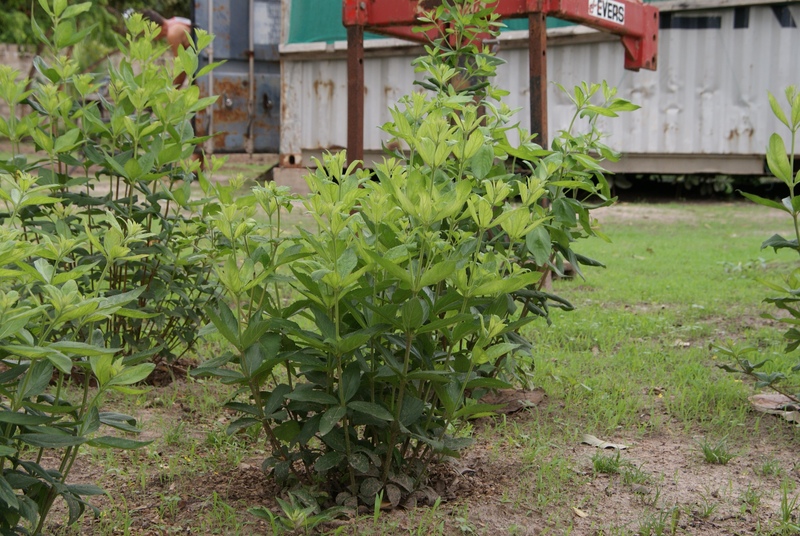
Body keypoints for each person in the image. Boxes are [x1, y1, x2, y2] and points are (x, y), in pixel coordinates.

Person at [141, 9, 192, 87]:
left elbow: (181, 67)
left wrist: (171, 91)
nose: (150, 37)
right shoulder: (174, 21)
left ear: (154, 27)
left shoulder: (173, 33)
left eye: (147, 33)